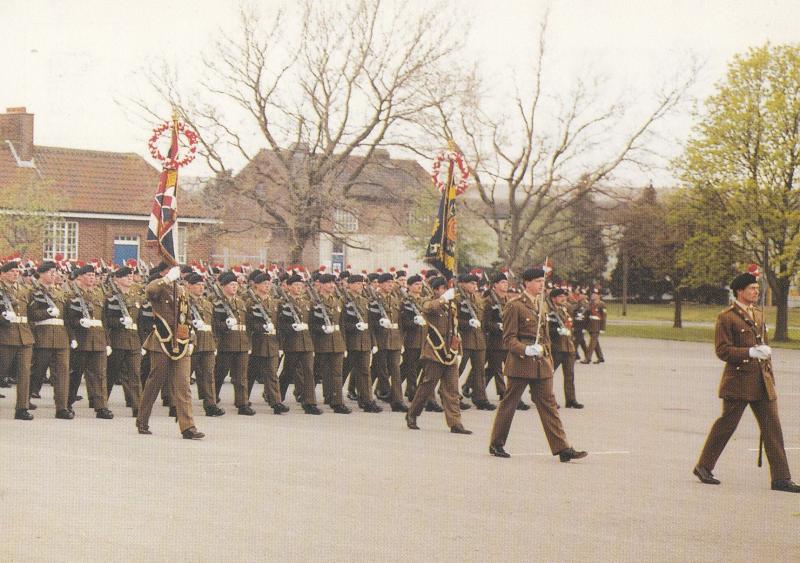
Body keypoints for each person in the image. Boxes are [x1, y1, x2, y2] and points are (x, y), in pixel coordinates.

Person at [693, 272, 799, 493]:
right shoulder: (727, 317)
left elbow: (764, 347)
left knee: (773, 427)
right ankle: (704, 466)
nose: (756, 291)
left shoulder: (758, 314)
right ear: (740, 291)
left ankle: (781, 478)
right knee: (726, 426)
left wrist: (767, 368)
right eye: (751, 288)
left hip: (761, 380)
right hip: (739, 381)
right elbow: (722, 351)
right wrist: (750, 352)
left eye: (756, 288)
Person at [488, 267, 587, 461]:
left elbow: (545, 336)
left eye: (543, 281)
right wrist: (525, 349)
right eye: (537, 281)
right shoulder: (514, 305)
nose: (542, 285)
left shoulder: (541, 305)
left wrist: (547, 355)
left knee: (549, 404)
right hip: (521, 362)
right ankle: (496, 444)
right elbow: (508, 338)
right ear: (526, 283)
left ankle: (562, 447)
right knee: (509, 404)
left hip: (541, 363)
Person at [136, 265, 204, 439]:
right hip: (161, 340)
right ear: (164, 272)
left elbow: (186, 317)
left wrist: (190, 338)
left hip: (180, 341)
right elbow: (150, 291)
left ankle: (188, 427)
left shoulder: (181, 290)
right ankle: (142, 420)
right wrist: (166, 279)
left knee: (183, 384)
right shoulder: (158, 287)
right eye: (171, 271)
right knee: (154, 382)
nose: (176, 274)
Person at [405, 276, 471, 434]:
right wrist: (443, 299)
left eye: (446, 288)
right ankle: (412, 414)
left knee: (452, 389)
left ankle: (455, 423)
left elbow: (454, 329)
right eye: (442, 288)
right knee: (427, 386)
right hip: (435, 351)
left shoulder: (451, 306)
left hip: (450, 351)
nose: (446, 291)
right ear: (436, 290)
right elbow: (428, 308)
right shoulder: (428, 301)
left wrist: (458, 350)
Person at [65, 264, 114, 418]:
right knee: (75, 374)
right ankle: (67, 403)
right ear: (79, 277)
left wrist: (107, 342)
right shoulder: (72, 294)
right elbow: (68, 318)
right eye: (88, 275)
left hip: (98, 338)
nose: (92, 278)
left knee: (100, 375)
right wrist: (74, 333)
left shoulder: (99, 294)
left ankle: (101, 406)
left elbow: (104, 320)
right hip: (81, 338)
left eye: (94, 275)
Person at [27, 261, 72, 419]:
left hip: (61, 336)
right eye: (50, 272)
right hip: (42, 335)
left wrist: (71, 337)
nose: (54, 275)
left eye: (55, 272)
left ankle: (62, 407)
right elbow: (31, 315)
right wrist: (47, 312)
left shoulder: (59, 292)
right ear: (41, 273)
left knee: (62, 374)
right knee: (37, 371)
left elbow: (66, 317)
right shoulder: (33, 291)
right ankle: (25, 399)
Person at [104, 267, 143, 417]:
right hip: (117, 339)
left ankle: (137, 406)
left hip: (133, 340)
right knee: (111, 373)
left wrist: (142, 341)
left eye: (131, 276)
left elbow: (140, 322)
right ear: (117, 279)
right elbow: (107, 320)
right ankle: (102, 402)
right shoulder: (111, 297)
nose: (130, 278)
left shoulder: (135, 297)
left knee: (134, 373)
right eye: (126, 276)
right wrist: (120, 321)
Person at [245, 272, 287, 414]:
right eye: (264, 284)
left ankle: (276, 402)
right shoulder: (251, 302)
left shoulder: (274, 303)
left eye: (269, 284)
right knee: (250, 374)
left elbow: (279, 325)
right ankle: (243, 401)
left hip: (272, 343)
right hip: (257, 342)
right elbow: (248, 324)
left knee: (272, 374)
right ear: (256, 285)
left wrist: (280, 345)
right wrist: (261, 328)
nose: (267, 286)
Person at [212, 271, 253, 415]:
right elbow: (215, 324)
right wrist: (225, 325)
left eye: (236, 284)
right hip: (226, 343)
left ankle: (242, 404)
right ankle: (212, 398)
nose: (234, 287)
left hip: (242, 342)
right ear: (223, 286)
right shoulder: (218, 303)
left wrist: (248, 342)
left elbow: (247, 323)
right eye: (231, 284)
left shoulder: (241, 302)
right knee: (220, 373)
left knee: (241, 376)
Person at [185, 272, 225, 416]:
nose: (201, 288)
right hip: (191, 344)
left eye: (202, 285)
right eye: (197, 285)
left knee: (208, 375)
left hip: (207, 344)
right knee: (184, 376)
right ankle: (178, 404)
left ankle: (210, 405)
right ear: (189, 286)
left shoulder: (208, 304)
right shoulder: (184, 302)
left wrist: (214, 342)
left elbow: (213, 325)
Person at [310, 273, 350, 414]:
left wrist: (344, 344)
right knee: (316, 372)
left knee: (337, 374)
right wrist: (321, 330)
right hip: (321, 342)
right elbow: (311, 325)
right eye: (328, 283)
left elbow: (342, 324)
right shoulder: (314, 302)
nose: (332, 286)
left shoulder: (338, 301)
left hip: (336, 341)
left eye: (333, 283)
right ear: (320, 284)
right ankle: (307, 398)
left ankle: (337, 402)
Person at [0, 260, 35, 420]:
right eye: (12, 271)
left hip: (24, 335)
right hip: (5, 335)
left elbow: (30, 313)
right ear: (3, 273)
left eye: (17, 271)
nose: (15, 273)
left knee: (24, 373)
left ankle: (22, 408)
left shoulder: (23, 290)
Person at [457, 274, 495, 410]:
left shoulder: (478, 299)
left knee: (479, 371)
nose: (474, 286)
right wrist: (467, 323)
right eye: (472, 283)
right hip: (464, 338)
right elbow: (454, 319)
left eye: (475, 284)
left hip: (479, 340)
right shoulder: (457, 298)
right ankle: (451, 395)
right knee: (458, 370)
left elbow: (483, 320)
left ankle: (480, 398)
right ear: (463, 284)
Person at [548, 288, 582, 408]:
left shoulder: (565, 309)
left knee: (569, 375)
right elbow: (546, 328)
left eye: (564, 296)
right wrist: (557, 330)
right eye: (560, 296)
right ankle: (547, 398)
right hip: (556, 347)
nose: (563, 298)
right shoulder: (549, 311)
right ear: (553, 298)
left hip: (568, 346)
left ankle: (571, 399)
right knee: (548, 374)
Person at [581, 291, 606, 364]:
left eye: (595, 294)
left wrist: (602, 328)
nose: (592, 295)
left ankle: (588, 358)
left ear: (598, 296)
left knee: (592, 343)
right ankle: (600, 357)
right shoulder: (590, 303)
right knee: (595, 343)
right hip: (590, 326)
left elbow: (604, 317)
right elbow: (586, 315)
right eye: (592, 294)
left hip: (597, 326)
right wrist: (585, 327)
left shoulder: (602, 304)